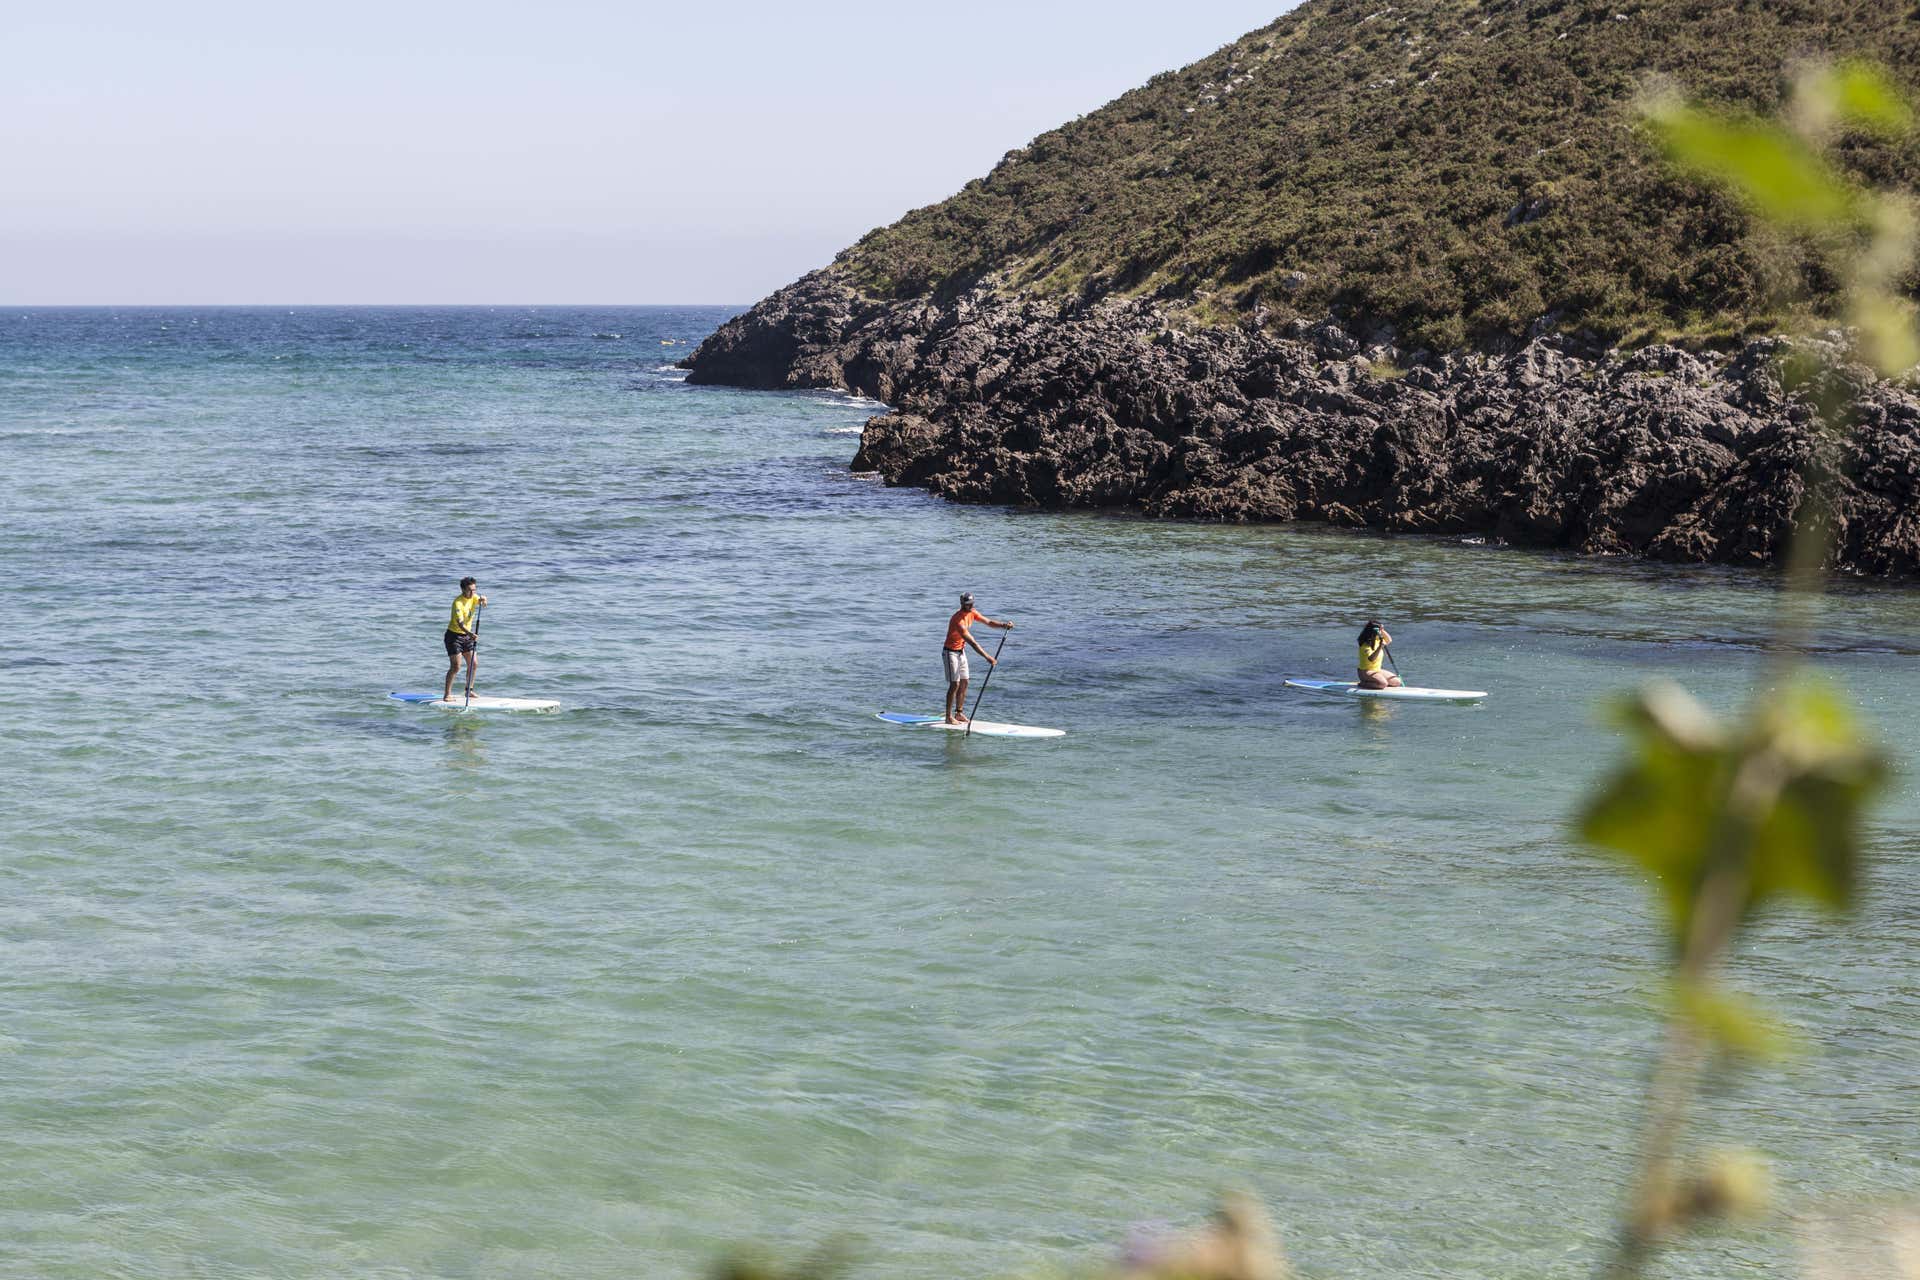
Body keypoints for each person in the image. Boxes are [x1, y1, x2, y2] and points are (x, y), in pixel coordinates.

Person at [943, 592, 1013, 724]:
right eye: (967, 605)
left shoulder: (973, 612)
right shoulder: (958, 620)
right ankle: (948, 716)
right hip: (950, 652)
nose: (970, 606)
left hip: (961, 651)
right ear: (962, 604)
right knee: (955, 684)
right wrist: (988, 657)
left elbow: (989, 622)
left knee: (965, 682)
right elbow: (973, 643)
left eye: (971, 604)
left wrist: (1003, 625)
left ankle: (959, 713)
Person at [442, 577, 489, 700]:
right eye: (470, 590)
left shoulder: (473, 597)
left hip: (467, 636)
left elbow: (482, 601)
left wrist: (484, 600)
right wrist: (471, 634)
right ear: (463, 589)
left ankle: (469, 690)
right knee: (456, 666)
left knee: (473, 663)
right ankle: (447, 694)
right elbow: (460, 624)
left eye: (474, 590)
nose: (473, 593)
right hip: (454, 636)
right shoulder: (458, 603)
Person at [1357, 618, 1401, 689]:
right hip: (1365, 672)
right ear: (1373, 633)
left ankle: (1377, 682)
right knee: (1383, 684)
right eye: (1379, 631)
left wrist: (1382, 630)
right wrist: (1380, 646)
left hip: (1377, 670)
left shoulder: (1377, 639)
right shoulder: (1365, 645)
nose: (1380, 633)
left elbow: (1389, 640)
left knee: (1397, 682)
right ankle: (1363, 683)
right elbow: (1371, 659)